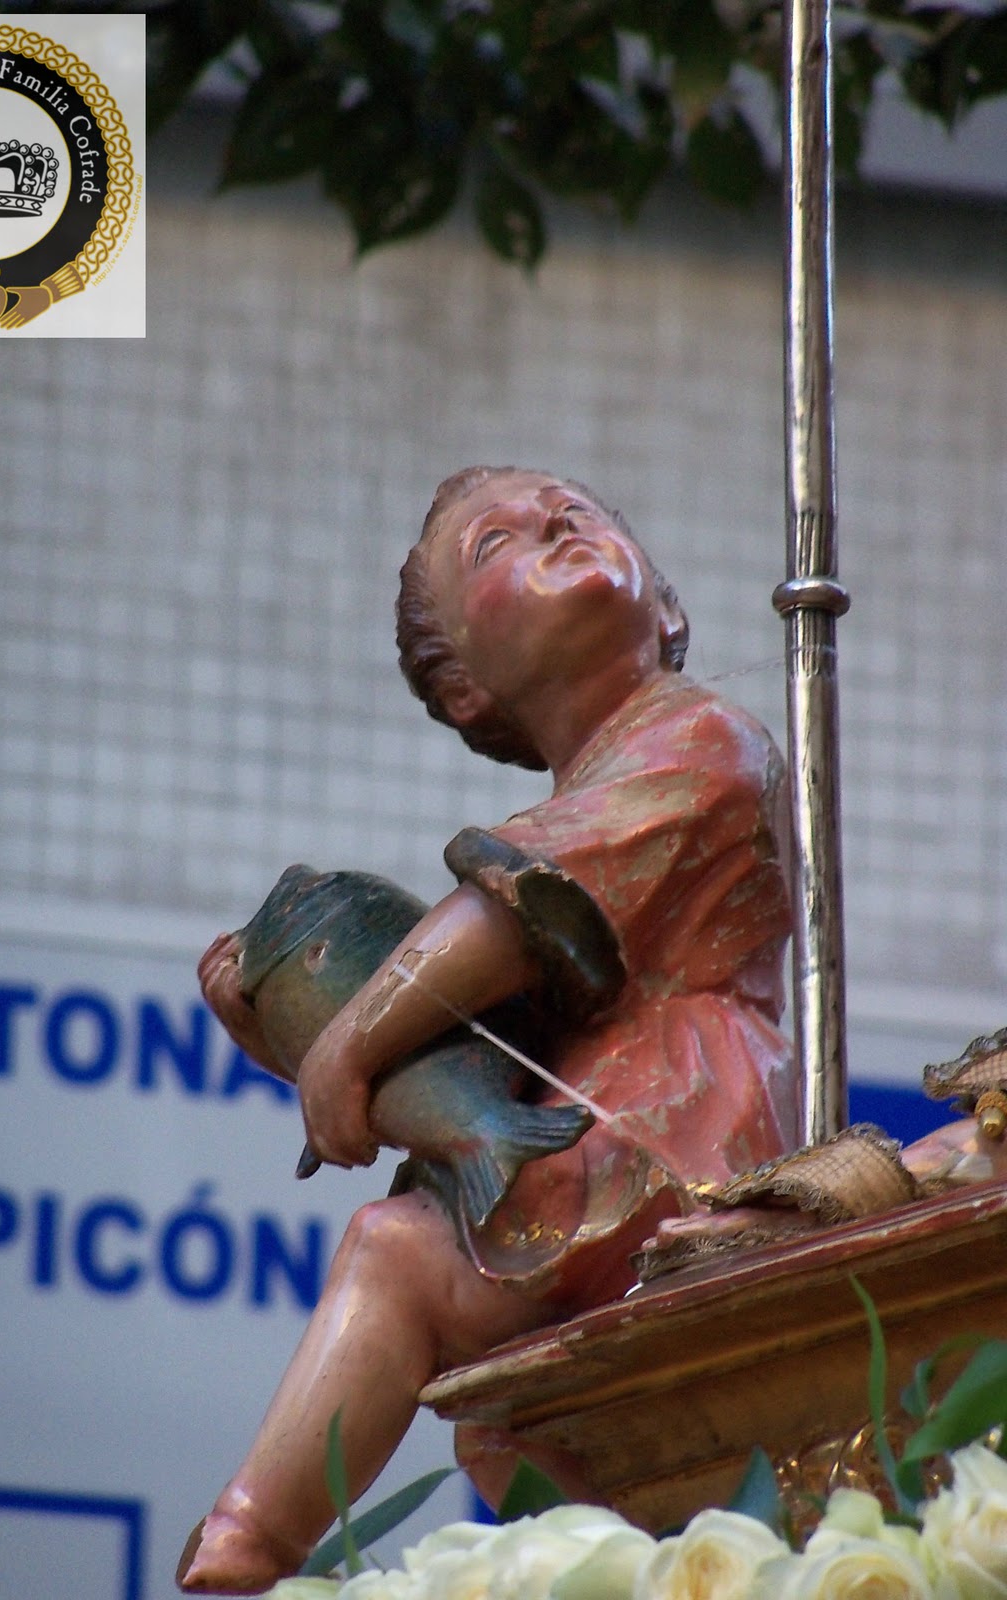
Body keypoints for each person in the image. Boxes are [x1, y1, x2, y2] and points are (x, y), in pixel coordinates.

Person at [178, 466, 799, 1593]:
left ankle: (251, 1541)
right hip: (590, 1116)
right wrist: (290, 1039)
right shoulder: (601, 780)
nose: (555, 520)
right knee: (504, 1421)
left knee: (400, 1256)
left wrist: (345, 1044)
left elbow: (517, 915)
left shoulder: (703, 738)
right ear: (468, 688)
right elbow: (460, 1063)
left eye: (578, 511)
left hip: (681, 1125)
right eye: (495, 542)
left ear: (664, 605)